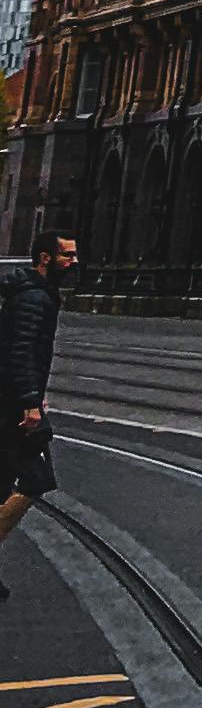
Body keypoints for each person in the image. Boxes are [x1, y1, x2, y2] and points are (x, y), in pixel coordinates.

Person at [0, 232, 77, 595]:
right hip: (13, 405)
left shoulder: (29, 292)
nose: (74, 262)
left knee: (2, 484)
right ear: (45, 258)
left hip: (9, 399)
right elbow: (21, 351)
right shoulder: (34, 297)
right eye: (67, 256)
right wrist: (31, 402)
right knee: (36, 478)